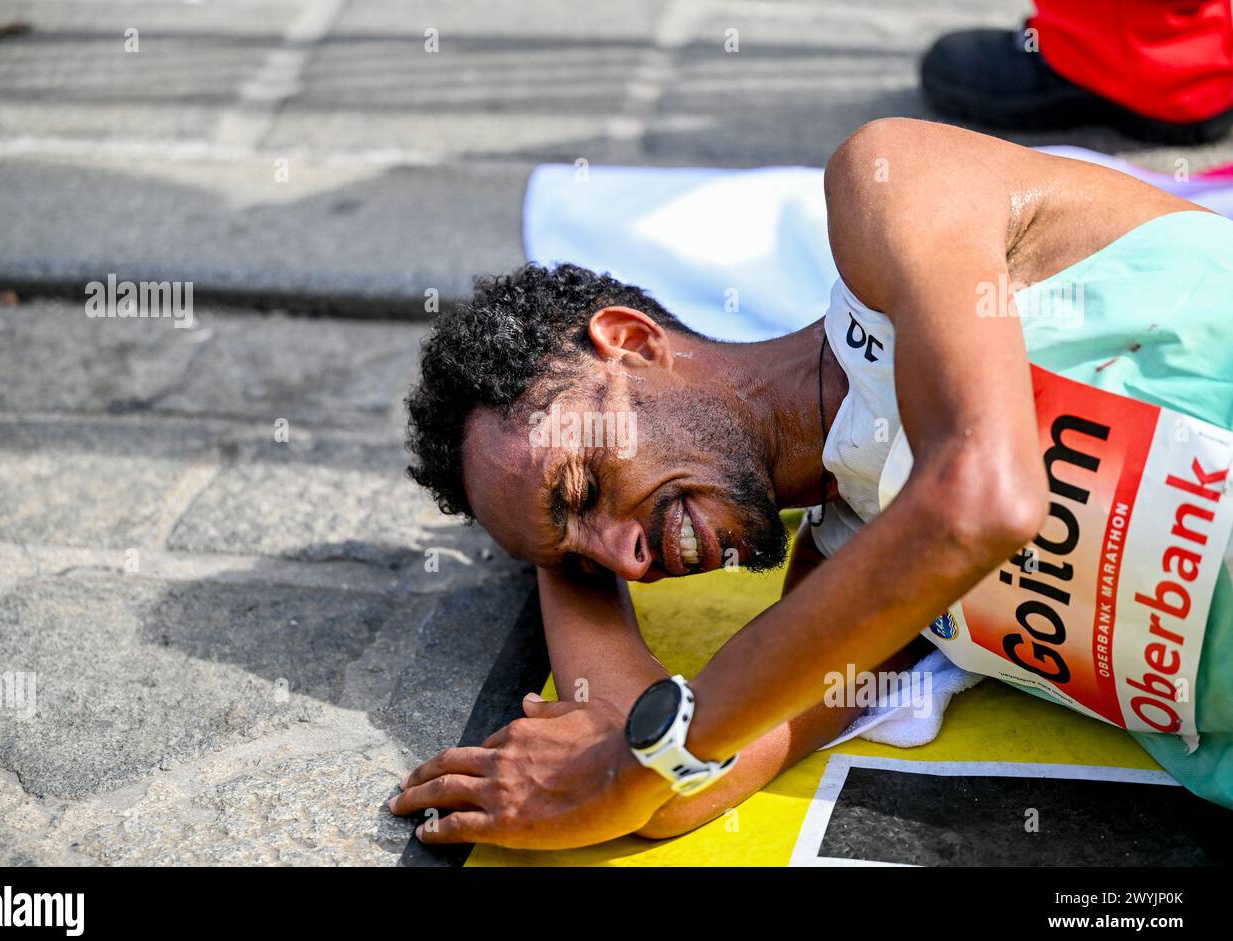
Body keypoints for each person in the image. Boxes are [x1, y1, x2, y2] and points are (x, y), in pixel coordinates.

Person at [391, 118, 1233, 850]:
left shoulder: (889, 185)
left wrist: (624, 765)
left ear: (632, 341)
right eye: (595, 563)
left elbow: (983, 500)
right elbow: (671, 789)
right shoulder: (856, 578)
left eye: (582, 486)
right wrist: (558, 557)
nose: (629, 560)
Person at [922, 1, 1233, 144]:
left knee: (943, 65)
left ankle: (1078, 49)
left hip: (1125, 66)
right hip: (1211, 68)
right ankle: (1190, 55)